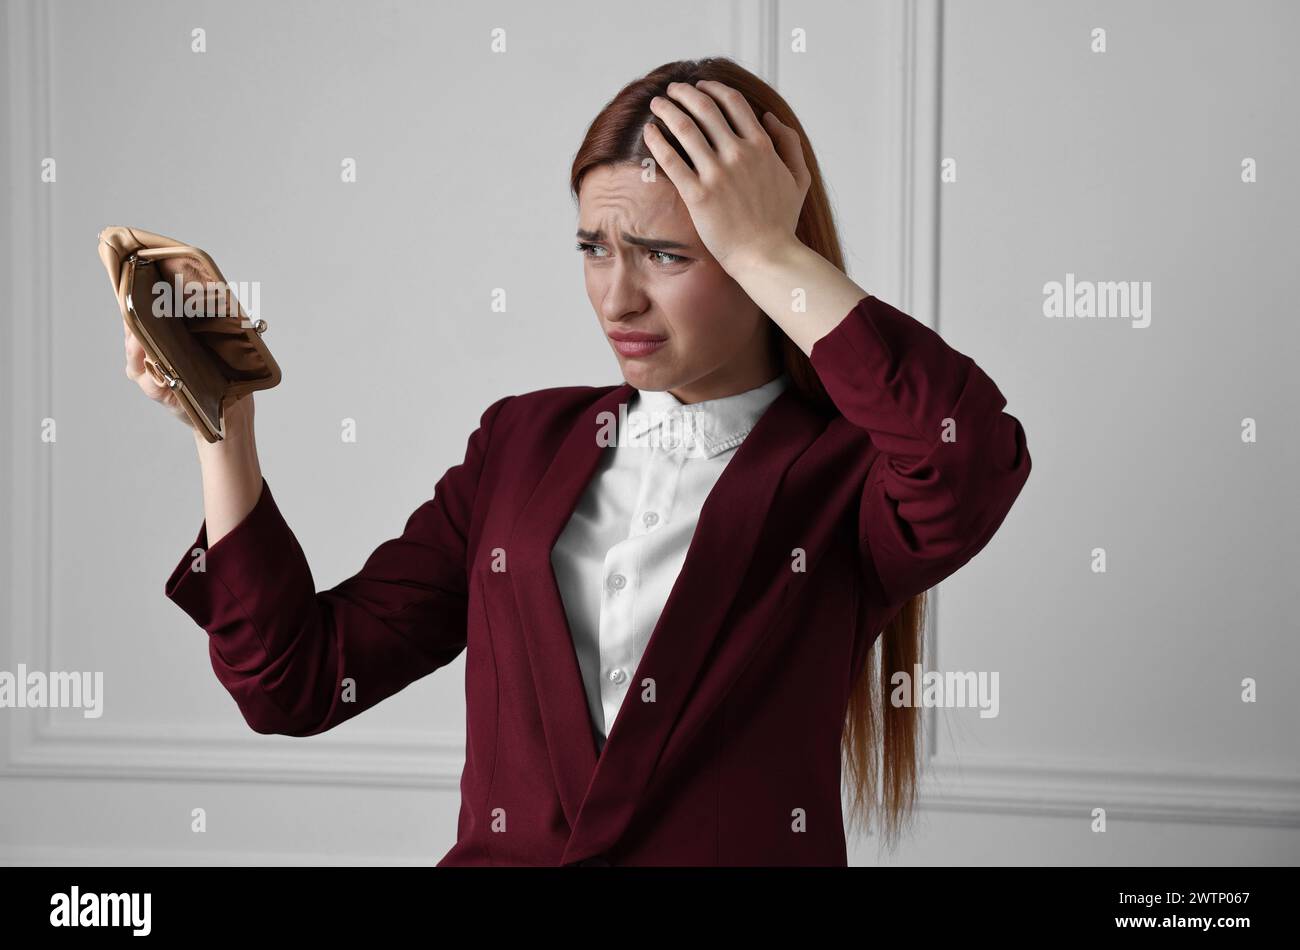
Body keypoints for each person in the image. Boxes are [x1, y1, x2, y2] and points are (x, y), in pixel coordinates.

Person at [123, 57, 1031, 866]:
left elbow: (972, 457)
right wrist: (224, 424)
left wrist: (766, 247)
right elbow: (298, 681)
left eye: (664, 254)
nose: (616, 295)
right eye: (593, 248)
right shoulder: (519, 445)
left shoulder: (849, 476)